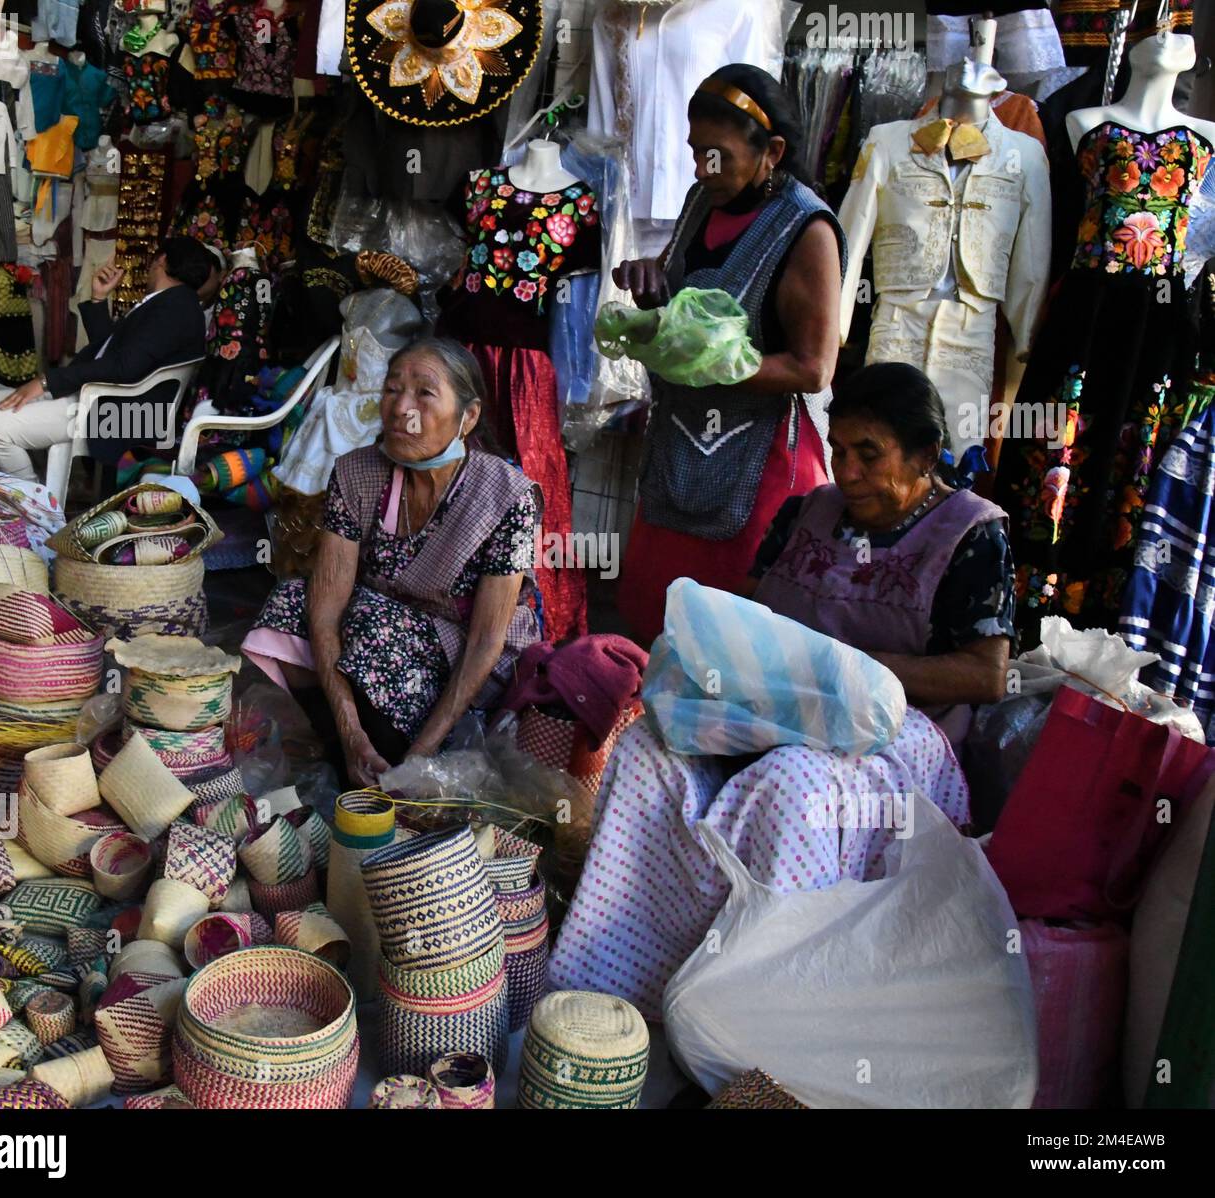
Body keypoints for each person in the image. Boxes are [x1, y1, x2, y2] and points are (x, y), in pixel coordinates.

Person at [547, 363, 1017, 1018]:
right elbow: (749, 611)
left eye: (869, 455)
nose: (846, 471)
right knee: (649, 753)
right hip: (776, 707)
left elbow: (986, 674)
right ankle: (624, 987)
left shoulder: (972, 532)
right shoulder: (807, 511)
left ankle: (753, 1014)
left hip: (896, 736)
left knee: (792, 787)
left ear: (925, 453)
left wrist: (848, 671)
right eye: (840, 449)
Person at [612, 63, 847, 645]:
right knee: (654, 624)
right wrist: (653, 288)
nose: (700, 168)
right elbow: (688, 306)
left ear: (772, 151)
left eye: (714, 154)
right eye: (695, 153)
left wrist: (712, 367)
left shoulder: (805, 229)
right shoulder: (703, 202)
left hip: (759, 467)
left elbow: (815, 368)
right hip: (677, 453)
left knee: (731, 643)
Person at [242, 337, 543, 787]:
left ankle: (398, 752)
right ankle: (352, 746)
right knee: (291, 601)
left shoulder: (506, 496)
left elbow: (486, 640)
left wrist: (419, 761)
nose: (402, 407)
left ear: (469, 417)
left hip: (460, 651)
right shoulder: (355, 471)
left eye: (424, 393)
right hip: (375, 635)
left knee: (372, 626)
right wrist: (350, 732)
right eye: (392, 389)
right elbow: (326, 609)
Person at [0, 236, 219, 482]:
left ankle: (34, 502)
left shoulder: (173, 309)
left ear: (162, 260)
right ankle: (22, 487)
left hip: (120, 414)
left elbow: (123, 367)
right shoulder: (174, 303)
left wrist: (46, 381)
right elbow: (115, 352)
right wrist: (99, 298)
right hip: (107, 398)